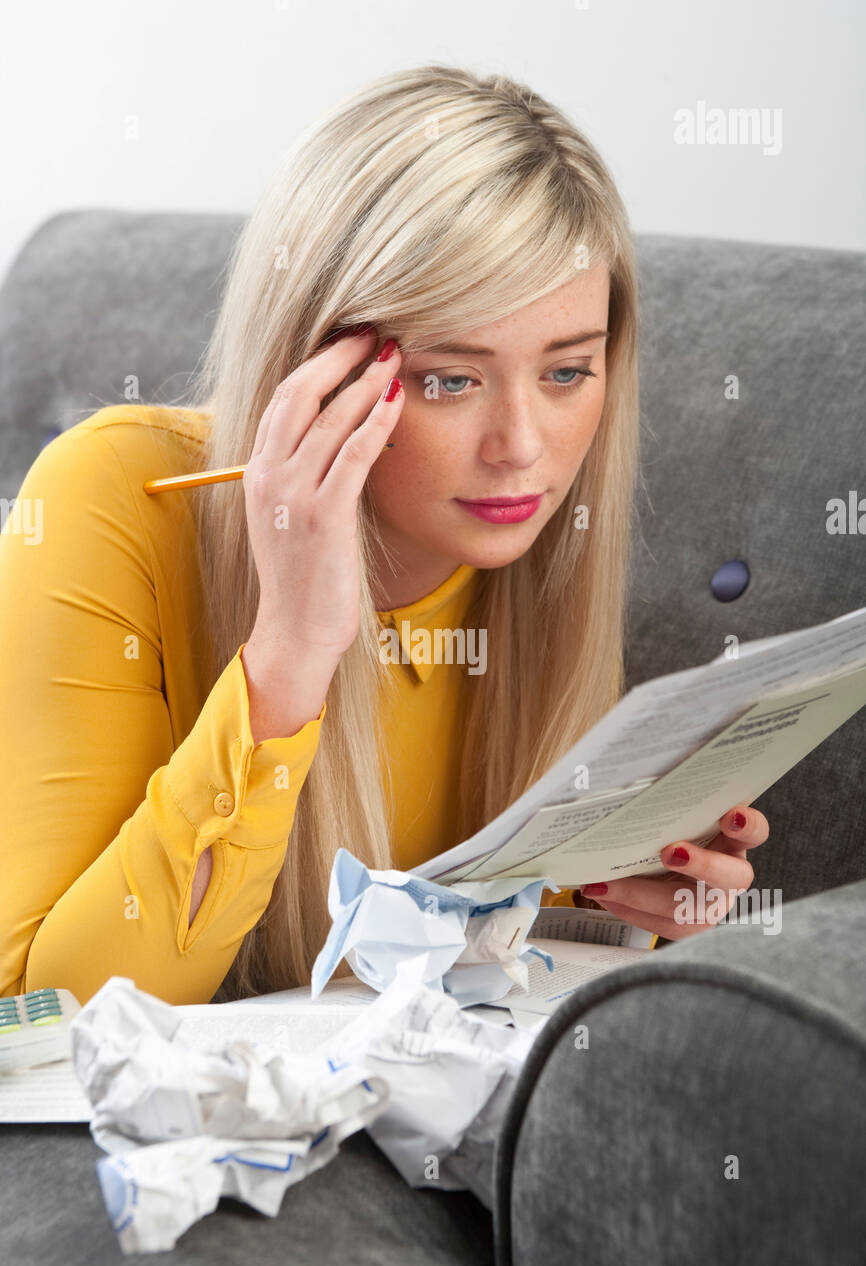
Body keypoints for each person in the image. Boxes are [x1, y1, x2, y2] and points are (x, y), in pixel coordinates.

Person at [0, 64, 768, 1008]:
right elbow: (59, 1012)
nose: (522, 450)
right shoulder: (112, 493)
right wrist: (289, 653)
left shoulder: (529, 563)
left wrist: (614, 901)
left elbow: (464, 967)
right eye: (451, 379)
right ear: (316, 371)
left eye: (567, 374)